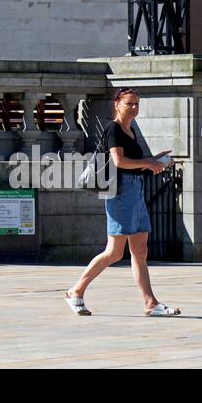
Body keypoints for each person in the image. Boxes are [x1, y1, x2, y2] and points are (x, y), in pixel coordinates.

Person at [64, 87, 182, 317]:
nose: (134, 108)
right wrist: (148, 162)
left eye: (137, 103)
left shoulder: (130, 130)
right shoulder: (114, 128)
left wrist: (155, 161)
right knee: (114, 252)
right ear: (117, 104)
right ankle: (75, 291)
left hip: (134, 191)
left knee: (140, 251)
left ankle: (150, 303)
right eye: (129, 103)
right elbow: (119, 162)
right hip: (119, 193)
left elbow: (135, 162)